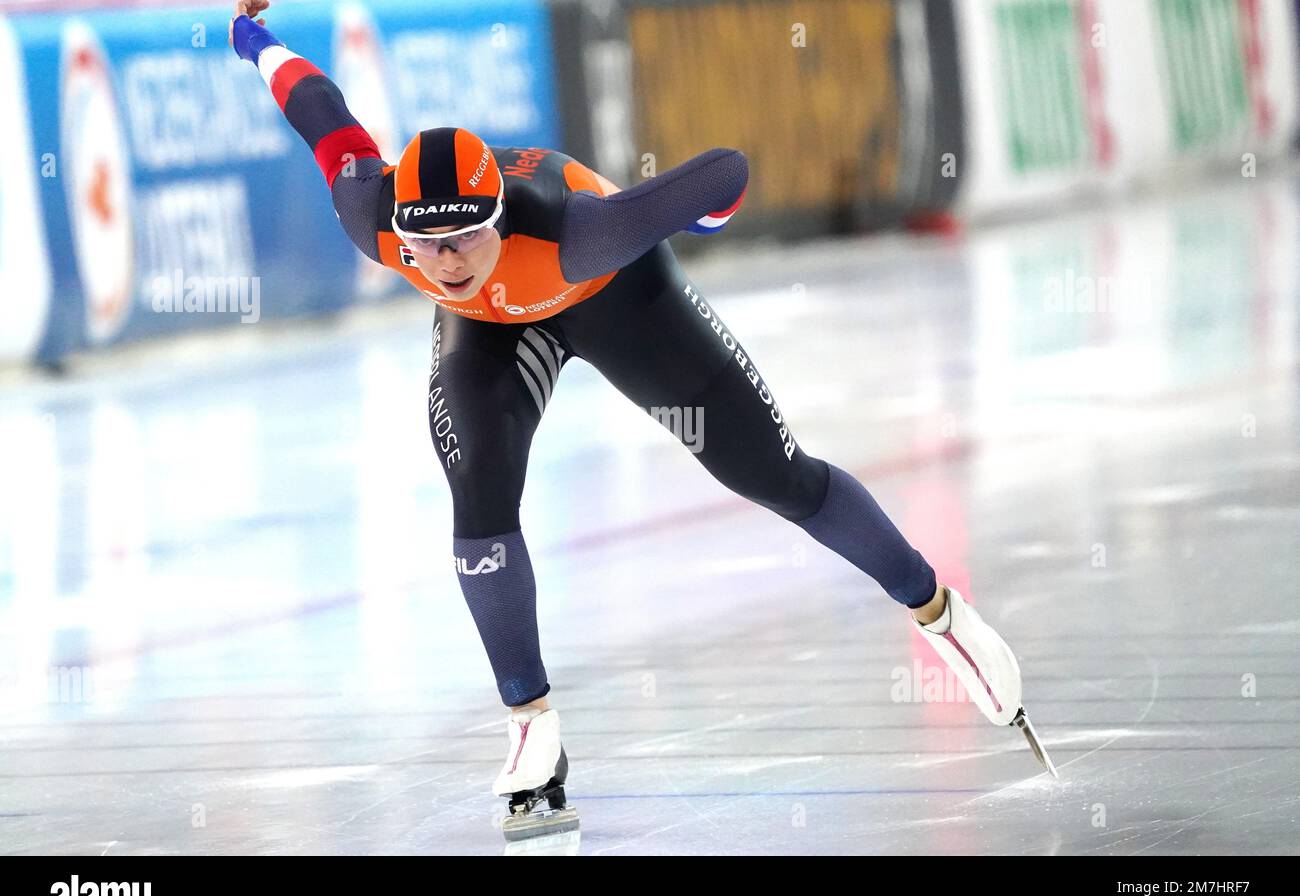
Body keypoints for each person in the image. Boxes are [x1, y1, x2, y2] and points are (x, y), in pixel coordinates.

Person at [229, 0, 1054, 836]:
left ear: (498, 219)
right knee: (477, 477)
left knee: (774, 474)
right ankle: (531, 726)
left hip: (614, 295)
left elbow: (726, 169)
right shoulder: (372, 215)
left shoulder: (579, 233)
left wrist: (699, 218)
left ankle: (938, 611)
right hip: (490, 332)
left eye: (465, 240)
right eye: (424, 244)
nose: (444, 264)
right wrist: (252, 37)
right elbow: (320, 112)